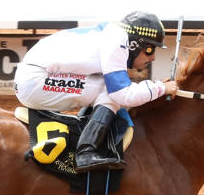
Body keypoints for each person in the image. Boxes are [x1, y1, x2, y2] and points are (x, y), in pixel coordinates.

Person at [14, 11, 178, 172]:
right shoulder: (118, 40)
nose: (152, 57)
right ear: (135, 44)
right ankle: (85, 152)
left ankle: (86, 133)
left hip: (33, 77)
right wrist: (161, 88)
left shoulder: (114, 34)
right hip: (34, 80)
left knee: (105, 86)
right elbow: (123, 94)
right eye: (150, 49)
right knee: (110, 93)